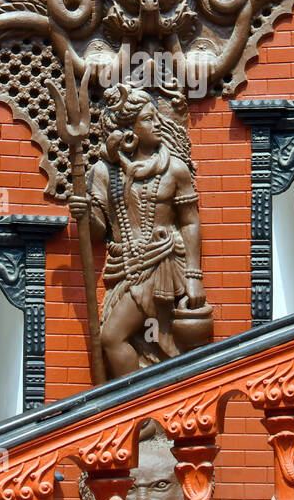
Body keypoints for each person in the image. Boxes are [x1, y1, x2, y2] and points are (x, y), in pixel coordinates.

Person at [70, 83, 207, 379]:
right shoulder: (105, 173)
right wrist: (84, 215)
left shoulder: (175, 169)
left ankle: (133, 408)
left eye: (155, 116)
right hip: (123, 268)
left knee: (111, 337)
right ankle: (142, 407)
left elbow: (190, 221)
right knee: (141, 342)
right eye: (147, 119)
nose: (157, 123)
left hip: (164, 264)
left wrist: (195, 278)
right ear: (128, 130)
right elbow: (97, 232)